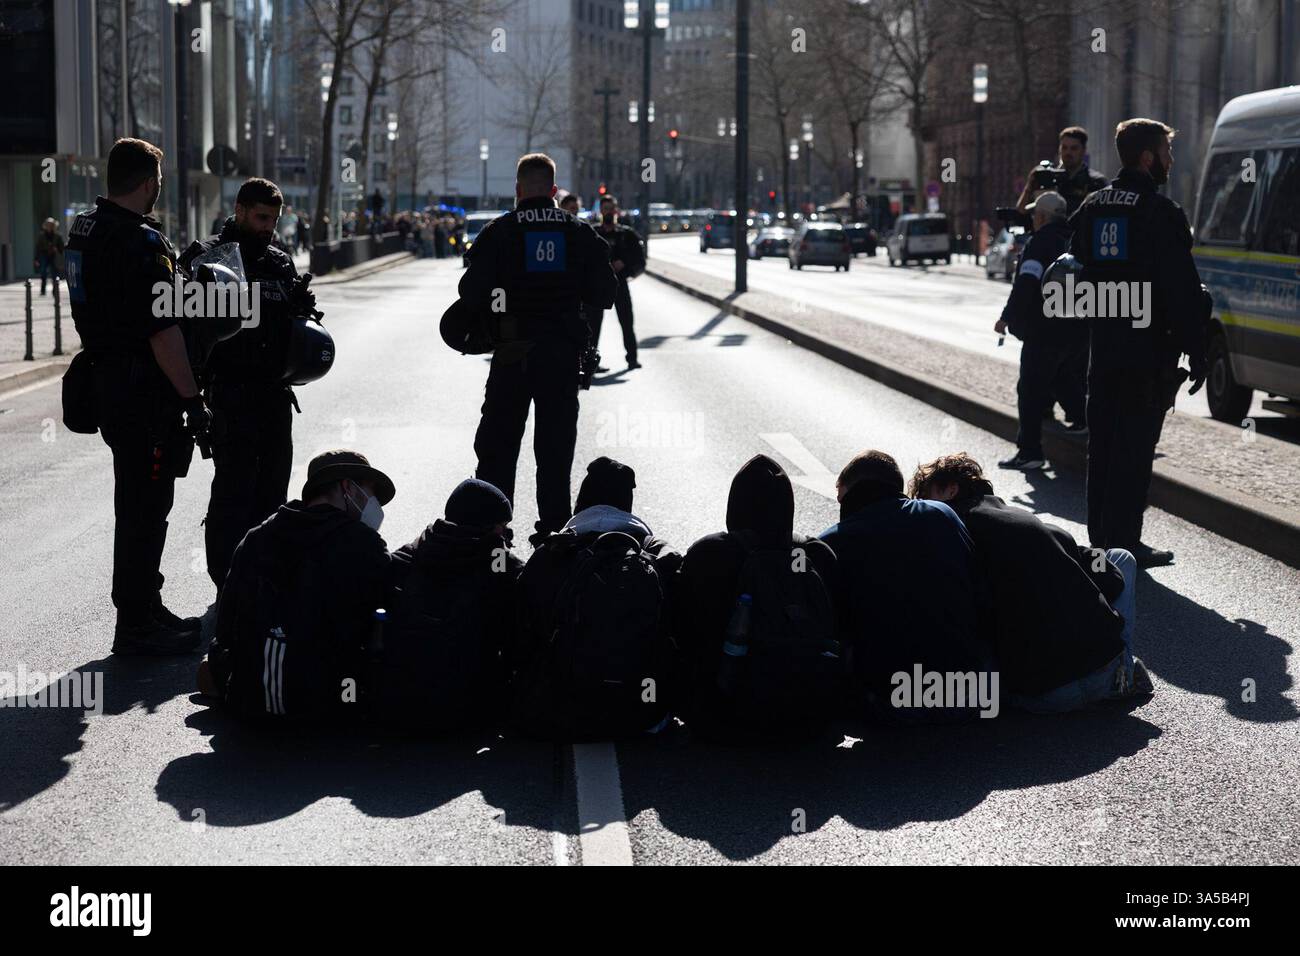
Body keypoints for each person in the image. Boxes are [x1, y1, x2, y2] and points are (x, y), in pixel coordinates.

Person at [65, 138, 209, 655]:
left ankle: (145, 606)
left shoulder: (85, 228)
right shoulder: (143, 242)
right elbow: (161, 330)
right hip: (143, 392)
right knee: (146, 508)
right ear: (149, 183)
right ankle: (137, 625)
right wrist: (192, 399)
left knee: (135, 502)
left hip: (106, 380)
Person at [1069, 118, 1211, 568]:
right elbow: (1182, 292)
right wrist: (1199, 349)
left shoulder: (1091, 207)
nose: (1170, 160)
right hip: (1148, 354)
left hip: (1104, 349)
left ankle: (1099, 539)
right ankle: (1125, 541)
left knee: (1103, 446)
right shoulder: (1161, 213)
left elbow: (1074, 274)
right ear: (1147, 158)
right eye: (1166, 152)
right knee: (1134, 448)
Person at [910, 453, 1153, 711]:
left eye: (926, 497)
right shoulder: (1027, 522)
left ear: (951, 490)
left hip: (1038, 695)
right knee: (1120, 557)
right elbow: (1111, 578)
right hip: (1100, 671)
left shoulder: (949, 536)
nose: (923, 507)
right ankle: (1122, 671)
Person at [460, 152, 618, 545]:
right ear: (552, 190)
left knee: (498, 446)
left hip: (512, 354)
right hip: (561, 357)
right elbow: (605, 292)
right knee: (555, 450)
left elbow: (470, 292)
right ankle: (553, 535)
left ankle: (492, 536)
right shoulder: (578, 232)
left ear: (517, 190)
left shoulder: (499, 231)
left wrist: (504, 300)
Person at [179, 177, 315, 592]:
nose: (267, 228)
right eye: (260, 218)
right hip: (230, 394)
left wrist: (304, 313)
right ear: (238, 210)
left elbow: (295, 323)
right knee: (233, 492)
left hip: (274, 394)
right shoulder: (206, 258)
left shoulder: (279, 261)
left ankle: (265, 576)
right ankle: (228, 580)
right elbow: (182, 329)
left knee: (273, 490)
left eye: (273, 220)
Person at [197, 450, 395, 720]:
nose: (374, 505)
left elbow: (226, 626)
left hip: (251, 703)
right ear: (347, 487)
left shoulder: (256, 538)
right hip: (336, 705)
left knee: (221, 663)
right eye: (370, 494)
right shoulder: (365, 545)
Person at [819, 450, 995, 723]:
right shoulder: (943, 515)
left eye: (840, 497)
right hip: (969, 692)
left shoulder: (832, 542)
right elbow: (980, 593)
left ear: (852, 493)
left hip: (891, 701)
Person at [510, 455, 677, 739]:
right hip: (642, 714)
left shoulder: (552, 554)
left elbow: (516, 636)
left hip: (553, 712)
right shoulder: (658, 557)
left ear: (581, 503)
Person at [675, 454, 840, 740]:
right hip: (810, 719)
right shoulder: (817, 555)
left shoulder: (710, 553)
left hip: (721, 719)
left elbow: (679, 630)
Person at [372, 478, 523, 731]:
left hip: (400, 706)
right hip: (472, 711)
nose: (505, 536)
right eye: (503, 527)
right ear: (491, 526)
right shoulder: (504, 567)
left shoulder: (406, 558)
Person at [994, 190, 1087, 470]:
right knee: (1062, 378)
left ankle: (1030, 452)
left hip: (1043, 329)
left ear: (1043, 216)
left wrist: (1007, 317)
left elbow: (1027, 283)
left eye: (1035, 214)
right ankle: (1084, 420)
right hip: (1076, 328)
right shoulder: (1073, 239)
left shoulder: (1039, 243)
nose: (1032, 218)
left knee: (1030, 389)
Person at [593, 194, 647, 370]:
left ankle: (632, 358)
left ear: (616, 211)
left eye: (611, 209)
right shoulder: (593, 234)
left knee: (626, 322)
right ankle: (590, 362)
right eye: (605, 209)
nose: (608, 212)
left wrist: (625, 265)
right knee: (592, 325)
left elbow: (639, 259)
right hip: (598, 286)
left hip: (620, 284)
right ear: (600, 211)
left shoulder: (626, 234)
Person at [1016, 126, 1109, 216]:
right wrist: (1030, 185)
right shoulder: (1047, 177)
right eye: (1064, 148)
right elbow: (1021, 211)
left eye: (1074, 148)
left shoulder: (1096, 182)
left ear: (1083, 150)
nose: (1068, 153)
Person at [34, 218, 65, 295]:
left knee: (54, 274)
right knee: (43, 272)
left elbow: (62, 248)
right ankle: (43, 290)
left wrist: (56, 249)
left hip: (53, 256)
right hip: (44, 255)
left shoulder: (58, 236)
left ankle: (55, 290)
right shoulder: (41, 235)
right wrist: (36, 259)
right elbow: (38, 248)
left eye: (51, 225)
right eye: (48, 225)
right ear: (45, 225)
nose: (49, 226)